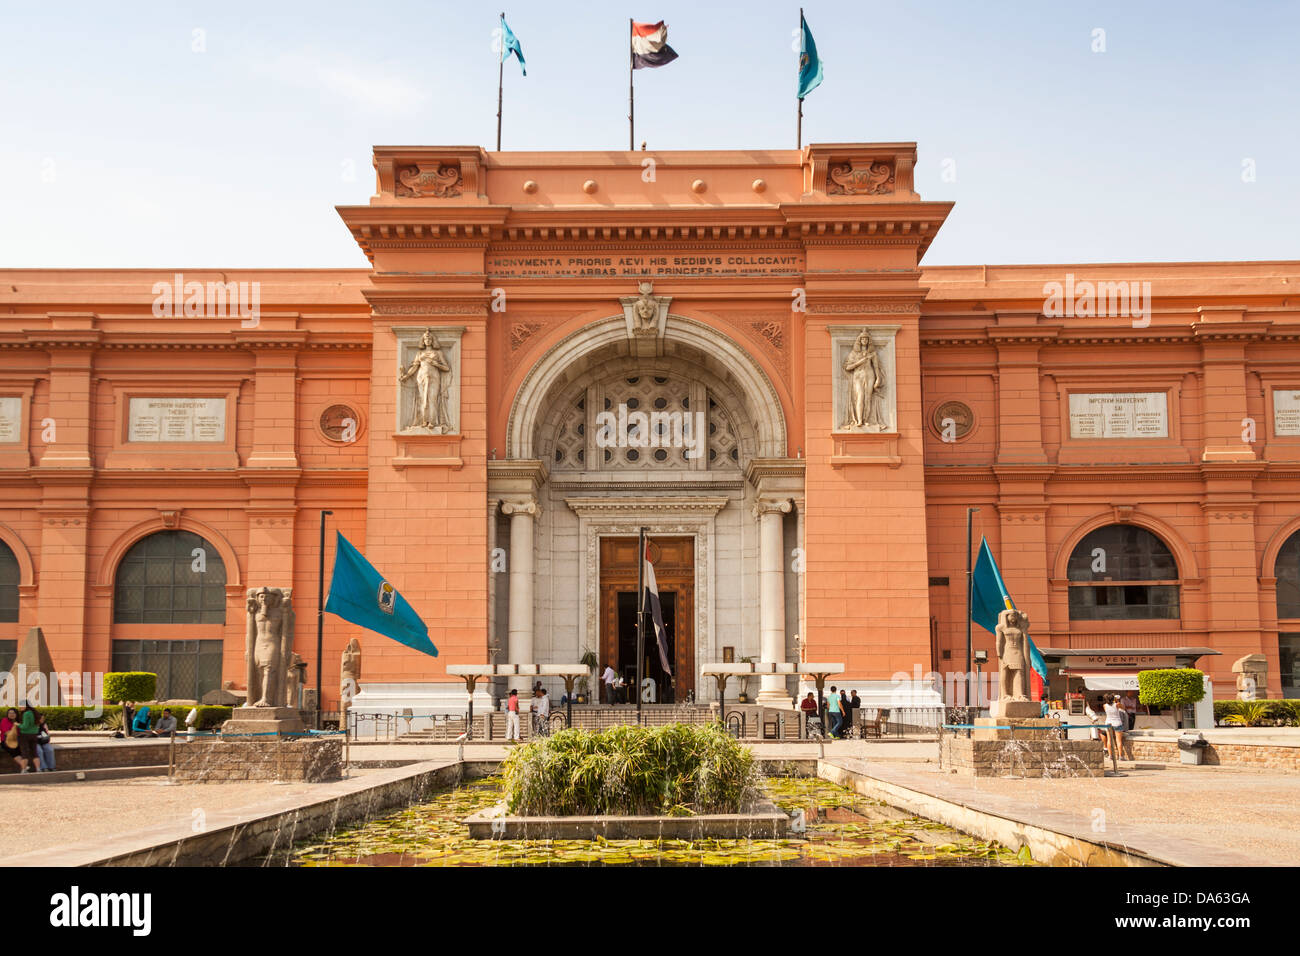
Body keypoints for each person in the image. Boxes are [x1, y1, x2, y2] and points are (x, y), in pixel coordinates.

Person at [17, 702, 42, 772]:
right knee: (35, 753)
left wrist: (17, 725)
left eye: (21, 706)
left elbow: (25, 726)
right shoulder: (34, 713)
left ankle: (24, 770)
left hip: (24, 735)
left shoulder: (26, 714)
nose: (19, 707)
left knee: (24, 753)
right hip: (34, 735)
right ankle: (38, 769)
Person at [1, 707, 27, 772]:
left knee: (22, 750)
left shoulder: (19, 722)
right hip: (7, 741)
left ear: (16, 714)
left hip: (17, 740)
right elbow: (6, 732)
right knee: (13, 750)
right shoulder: (4, 720)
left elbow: (22, 732)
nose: (11, 714)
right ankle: (24, 766)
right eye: (10, 713)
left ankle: (23, 769)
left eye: (13, 713)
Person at [1103, 694, 1128, 760]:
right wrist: (1117, 701)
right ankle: (1120, 756)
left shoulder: (1104, 706)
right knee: (1118, 740)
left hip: (1108, 723)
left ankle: (1110, 756)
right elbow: (1123, 708)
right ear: (1113, 699)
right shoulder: (1117, 704)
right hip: (1117, 723)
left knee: (1109, 740)